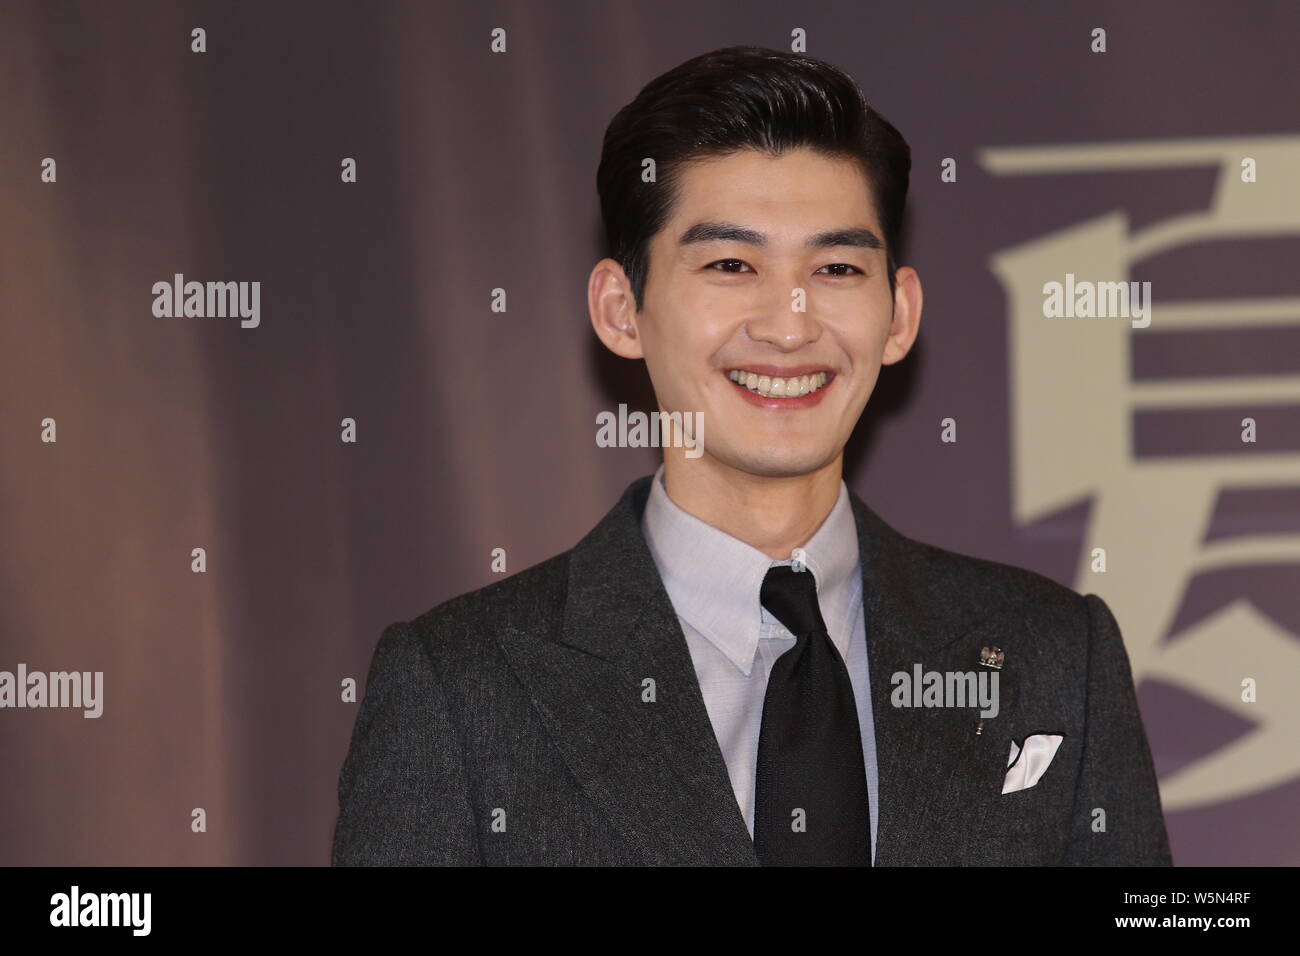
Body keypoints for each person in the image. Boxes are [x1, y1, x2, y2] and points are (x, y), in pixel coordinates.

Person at [331, 45, 1172, 866]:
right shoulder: (461, 685)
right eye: (732, 264)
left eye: (838, 266)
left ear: (900, 315)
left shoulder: (1057, 654)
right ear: (622, 309)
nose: (789, 323)